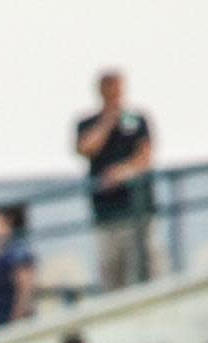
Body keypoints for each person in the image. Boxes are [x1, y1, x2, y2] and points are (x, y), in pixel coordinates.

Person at [76, 69, 159, 292]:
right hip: (106, 213)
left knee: (142, 272)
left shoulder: (137, 120)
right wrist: (108, 121)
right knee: (112, 276)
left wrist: (124, 172)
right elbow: (86, 148)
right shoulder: (87, 122)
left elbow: (146, 156)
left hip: (138, 209)